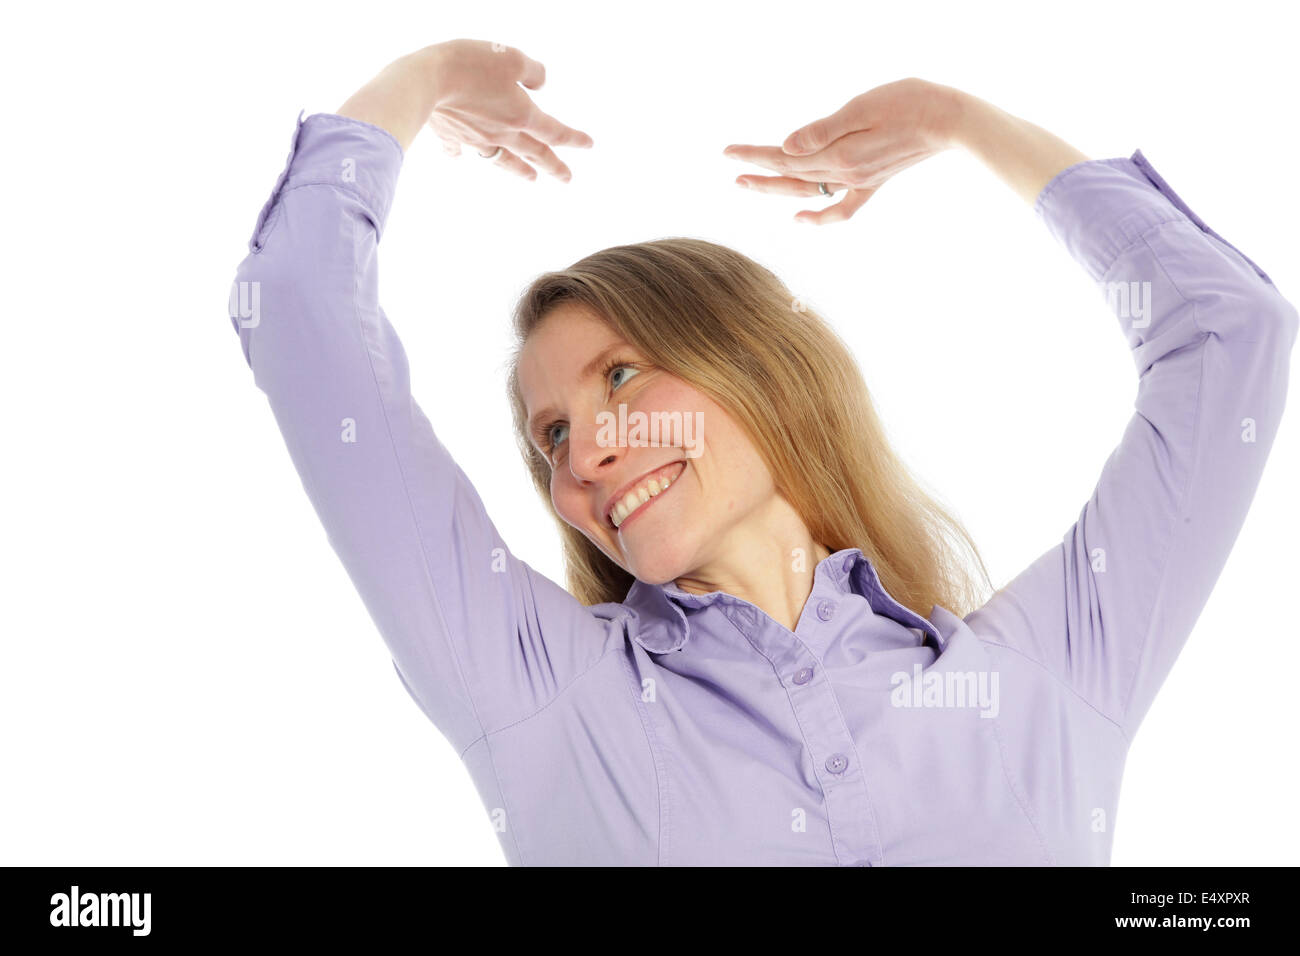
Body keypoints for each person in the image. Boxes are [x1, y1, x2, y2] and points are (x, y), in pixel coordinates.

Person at [227, 38, 1297, 865]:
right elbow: (299, 306)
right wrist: (428, 75)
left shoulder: (1045, 674)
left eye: (622, 375)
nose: (583, 453)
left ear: (756, 366)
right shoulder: (543, 696)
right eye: (548, 434)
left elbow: (1229, 333)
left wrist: (960, 120)